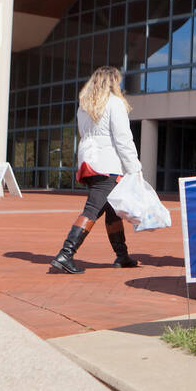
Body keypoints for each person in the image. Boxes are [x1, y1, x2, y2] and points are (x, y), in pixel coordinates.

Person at [50, 66, 142, 274]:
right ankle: (66, 254)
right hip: (109, 164)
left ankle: (122, 255)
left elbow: (85, 134)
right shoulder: (115, 103)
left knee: (112, 212)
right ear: (113, 82)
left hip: (90, 162)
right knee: (93, 209)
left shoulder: (84, 106)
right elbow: (123, 139)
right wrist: (134, 167)